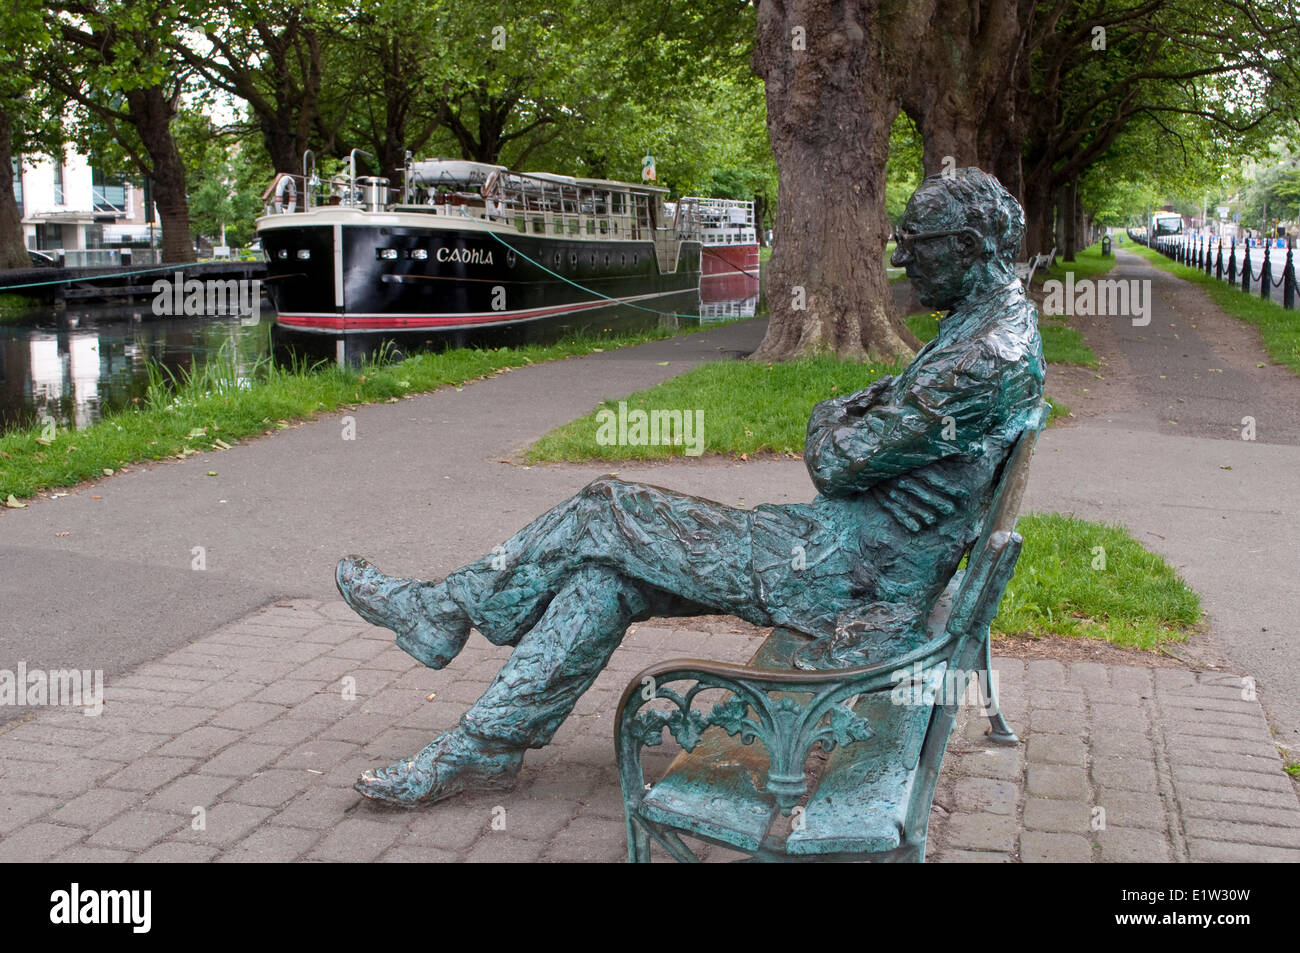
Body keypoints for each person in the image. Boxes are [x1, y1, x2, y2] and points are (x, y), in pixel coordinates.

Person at [336, 167, 1045, 806]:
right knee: (603, 577)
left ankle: (443, 608)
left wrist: (840, 425)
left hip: (844, 579)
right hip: (854, 554)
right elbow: (854, 438)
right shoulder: (991, 326)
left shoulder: (980, 357)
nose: (898, 255)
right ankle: (482, 745)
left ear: (968, 245)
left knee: (602, 508)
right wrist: (851, 426)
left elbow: (833, 462)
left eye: (915, 241)